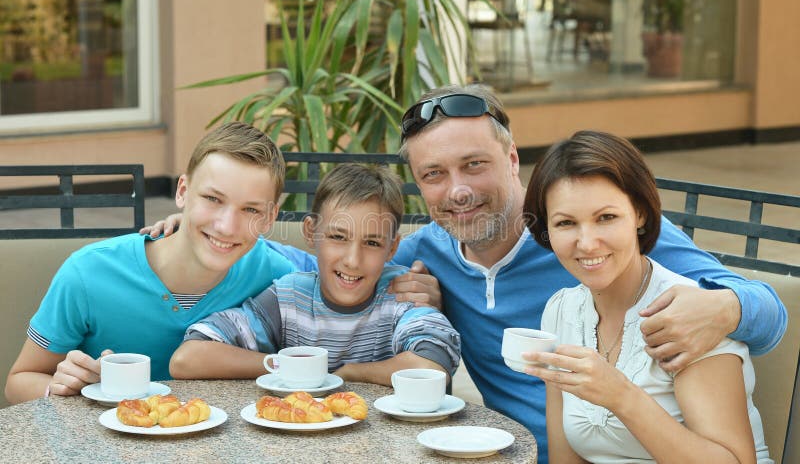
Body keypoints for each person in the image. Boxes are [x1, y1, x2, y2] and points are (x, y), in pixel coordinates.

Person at [141, 84, 786, 463]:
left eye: (474, 165)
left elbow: (766, 307)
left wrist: (726, 308)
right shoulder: (428, 250)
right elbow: (334, 262)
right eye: (434, 175)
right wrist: (216, 236)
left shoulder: (592, 238)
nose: (457, 191)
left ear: (511, 159)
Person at [521, 130, 771, 463]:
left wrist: (621, 396)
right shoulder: (560, 310)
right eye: (566, 223)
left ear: (639, 213)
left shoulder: (688, 316)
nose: (587, 242)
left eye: (606, 217)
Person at [4, 121, 295, 404]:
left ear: (269, 217)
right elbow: (18, 382)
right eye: (212, 199)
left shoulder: (280, 278)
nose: (227, 226)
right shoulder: (88, 272)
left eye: (250, 209)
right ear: (182, 191)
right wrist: (64, 390)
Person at [169, 163, 460, 385]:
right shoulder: (288, 299)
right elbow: (187, 359)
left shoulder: (401, 295)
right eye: (337, 237)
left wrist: (348, 374)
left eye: (372, 243)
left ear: (392, 247)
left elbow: (432, 366)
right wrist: (295, 367)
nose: (352, 260)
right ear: (311, 232)